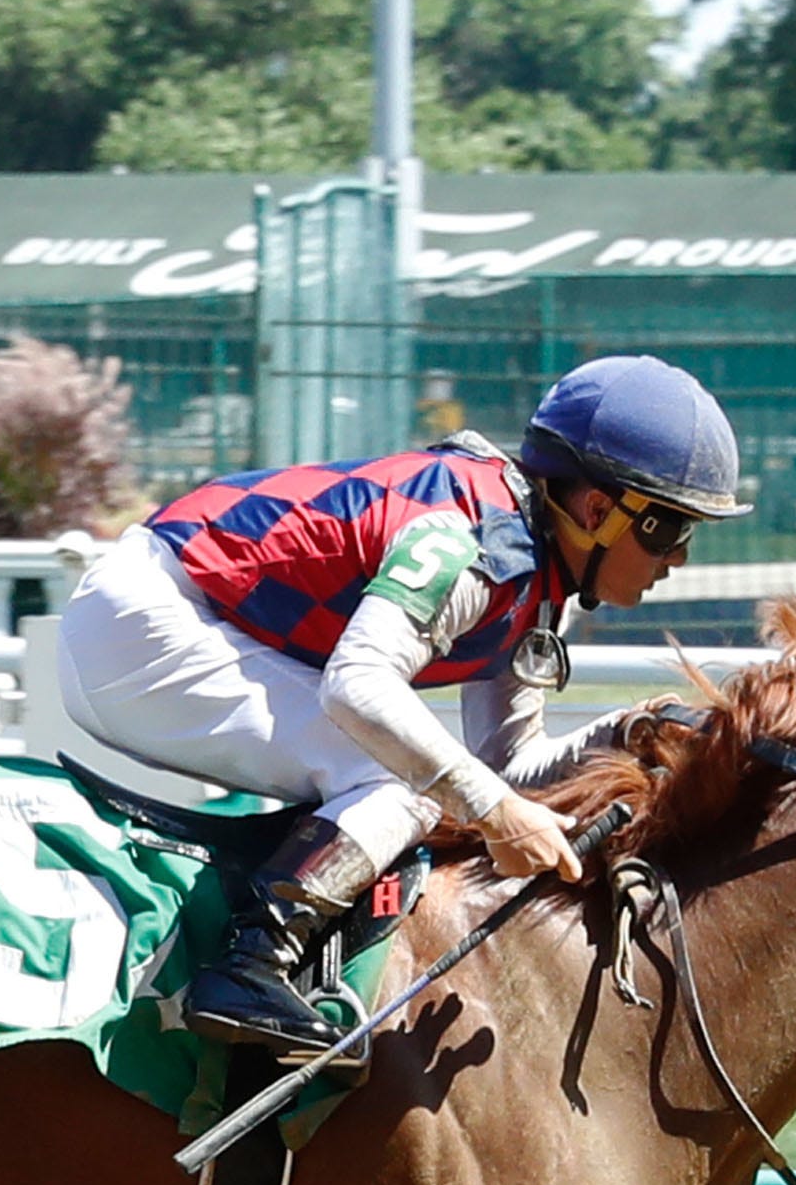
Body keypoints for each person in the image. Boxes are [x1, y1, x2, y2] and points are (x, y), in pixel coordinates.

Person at [50, 354, 752, 1054]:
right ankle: (249, 966)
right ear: (597, 509)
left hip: (180, 619)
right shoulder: (475, 544)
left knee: (429, 781)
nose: (680, 559)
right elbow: (358, 687)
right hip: (143, 621)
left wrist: (629, 730)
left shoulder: (536, 582)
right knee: (400, 781)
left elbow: (504, 768)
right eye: (670, 527)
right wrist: (496, 810)